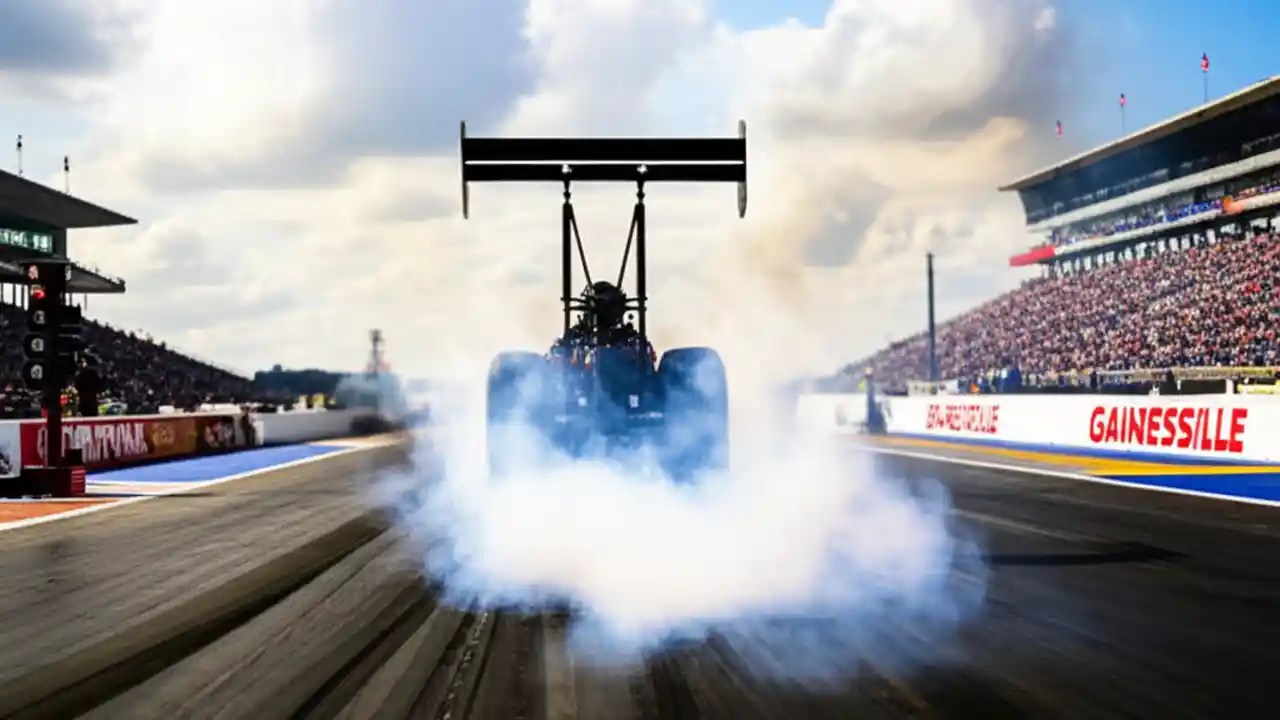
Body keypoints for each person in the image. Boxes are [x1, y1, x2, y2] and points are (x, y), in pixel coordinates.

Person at [75, 353, 102, 418]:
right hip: (86, 401)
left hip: (89, 400)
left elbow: (98, 384)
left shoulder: (90, 374)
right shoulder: (80, 375)